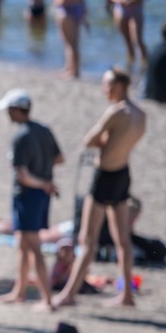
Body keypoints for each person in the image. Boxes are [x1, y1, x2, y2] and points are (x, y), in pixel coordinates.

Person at [55, 68, 146, 309]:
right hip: (123, 174)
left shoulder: (116, 112)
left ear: (117, 86)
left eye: (107, 85)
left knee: (87, 238)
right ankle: (127, 294)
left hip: (104, 176)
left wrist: (104, 141)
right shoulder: (140, 114)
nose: (104, 89)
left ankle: (69, 293)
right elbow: (128, 140)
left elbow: (89, 140)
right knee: (122, 239)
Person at [0, 88, 63, 311]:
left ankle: (47, 299)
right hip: (42, 194)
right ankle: (20, 291)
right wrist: (45, 176)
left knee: (33, 246)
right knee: (23, 244)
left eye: (9, 110)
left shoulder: (21, 137)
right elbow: (59, 158)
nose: (8, 114)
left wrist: (41, 182)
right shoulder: (44, 130)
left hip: (28, 195)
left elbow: (23, 175)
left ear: (17, 110)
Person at [53, 0, 86, 79]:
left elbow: (64, 0)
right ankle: (70, 68)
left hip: (67, 11)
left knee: (70, 43)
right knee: (73, 43)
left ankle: (73, 71)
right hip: (75, 10)